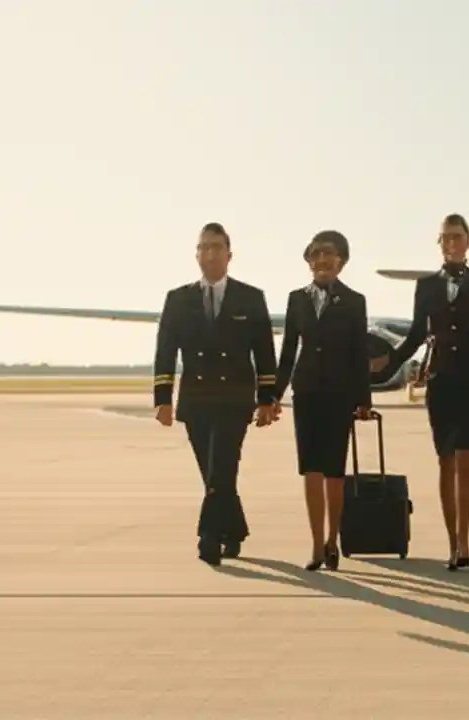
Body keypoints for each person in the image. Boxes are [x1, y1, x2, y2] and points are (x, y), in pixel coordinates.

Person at [373, 213, 469, 571]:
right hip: (441, 380)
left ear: (467, 242)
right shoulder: (427, 286)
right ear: (440, 243)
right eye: (445, 237)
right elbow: (417, 334)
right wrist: (388, 363)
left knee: (465, 455)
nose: (451, 243)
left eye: (457, 236)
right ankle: (452, 542)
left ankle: (464, 540)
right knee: (445, 459)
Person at [152, 222, 278, 567]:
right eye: (203, 247)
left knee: (222, 466)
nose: (210, 253)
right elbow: (165, 350)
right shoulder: (178, 299)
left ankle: (208, 537)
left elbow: (265, 352)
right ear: (196, 254)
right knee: (213, 474)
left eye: (216, 247)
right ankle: (234, 529)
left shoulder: (250, 298)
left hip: (234, 399)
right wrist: (163, 398)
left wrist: (268, 398)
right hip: (196, 398)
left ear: (229, 254)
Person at [273, 230, 374, 571]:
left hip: (339, 394)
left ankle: (334, 539)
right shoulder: (297, 299)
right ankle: (316, 544)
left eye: (329, 254)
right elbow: (288, 350)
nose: (322, 260)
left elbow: (359, 352)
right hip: (306, 392)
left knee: (334, 471)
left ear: (341, 261)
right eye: (315, 255)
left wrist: (363, 399)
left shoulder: (354, 301)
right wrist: (273, 394)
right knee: (310, 470)